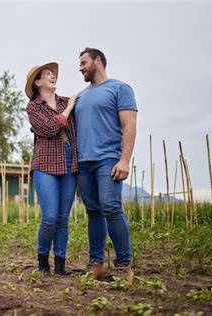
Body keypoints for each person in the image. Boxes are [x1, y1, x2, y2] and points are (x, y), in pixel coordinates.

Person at [74, 48, 137, 284]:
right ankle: (96, 264)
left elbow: (129, 126)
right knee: (93, 212)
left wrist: (124, 160)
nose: (80, 67)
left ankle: (123, 266)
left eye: (83, 62)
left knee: (111, 207)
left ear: (98, 61)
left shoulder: (120, 88)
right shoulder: (80, 96)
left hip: (108, 159)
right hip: (83, 163)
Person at [25, 62, 78, 276]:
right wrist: (67, 111)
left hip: (69, 161)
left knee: (63, 218)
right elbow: (50, 128)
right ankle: (42, 261)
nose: (53, 76)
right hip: (45, 162)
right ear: (38, 82)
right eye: (48, 74)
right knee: (49, 217)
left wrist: (69, 107)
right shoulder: (34, 107)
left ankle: (61, 265)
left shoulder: (68, 101)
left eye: (54, 74)